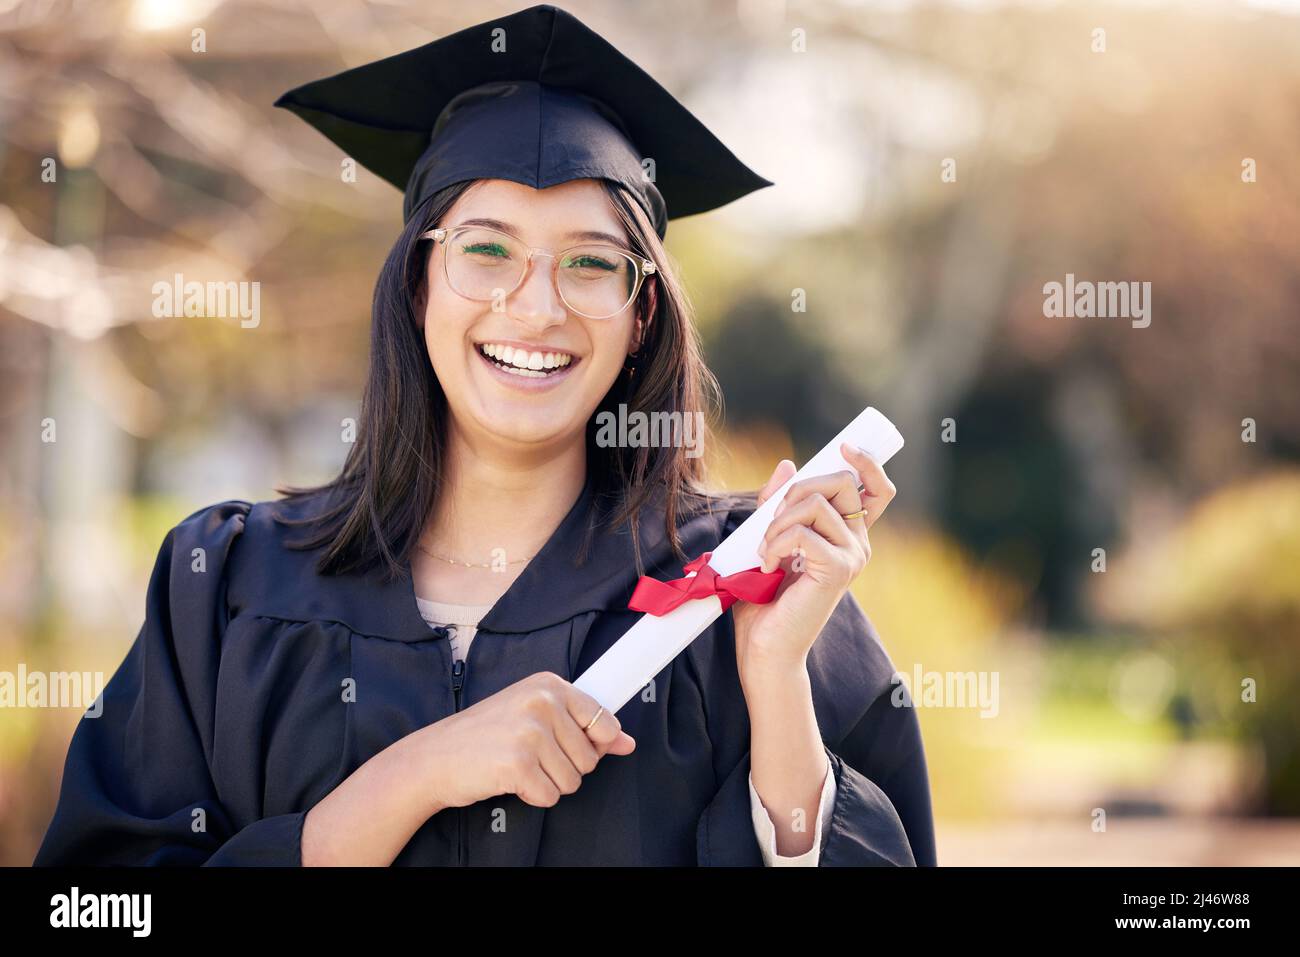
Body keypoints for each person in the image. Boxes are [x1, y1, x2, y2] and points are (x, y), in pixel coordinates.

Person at [34, 4, 935, 867]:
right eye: (486, 248)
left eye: (590, 263)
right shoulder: (228, 587)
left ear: (641, 312)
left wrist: (776, 681)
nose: (536, 307)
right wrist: (411, 778)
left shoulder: (747, 588)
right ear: (420, 281)